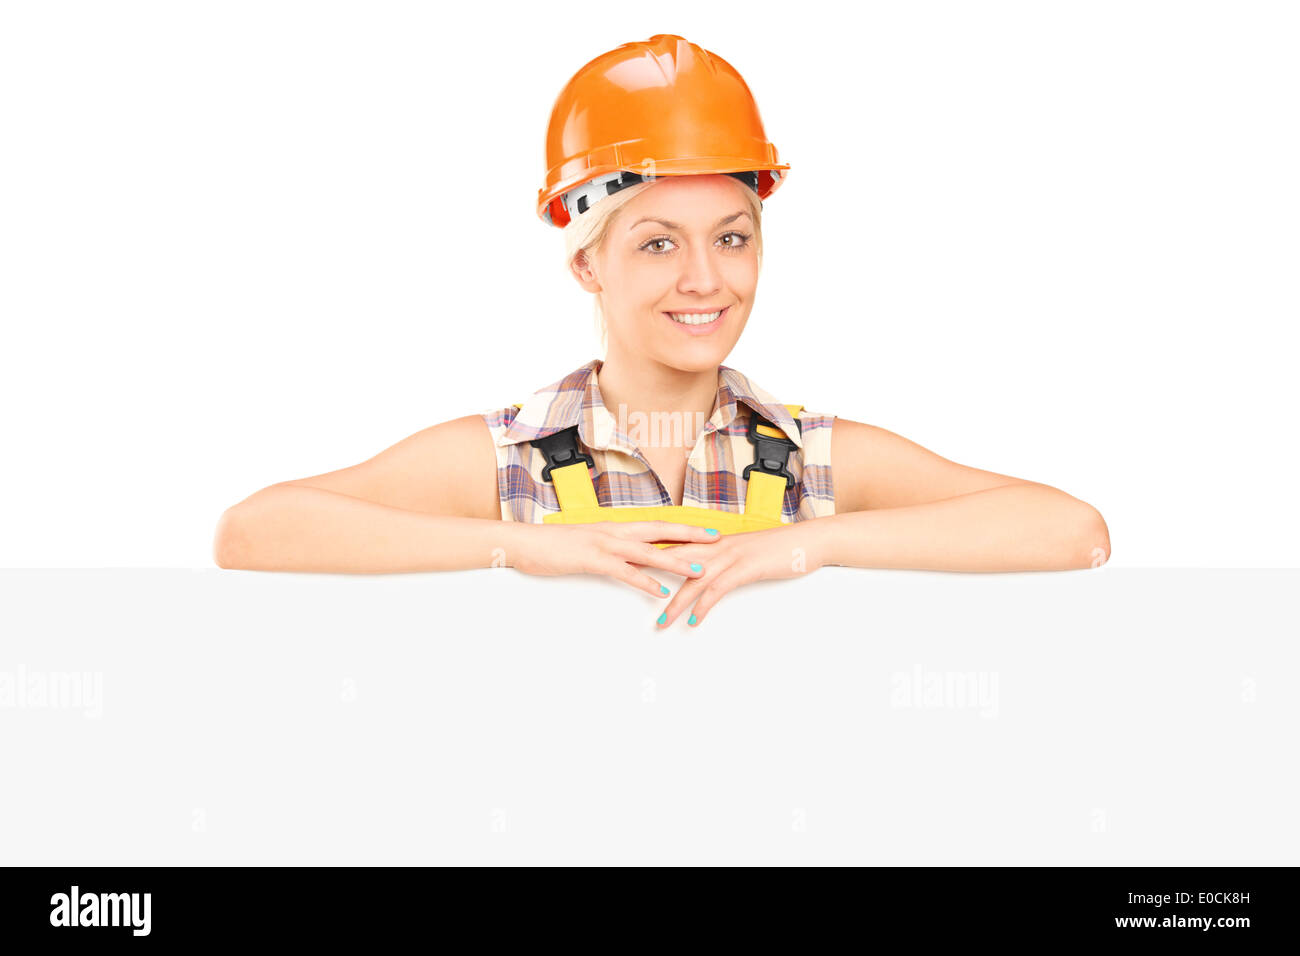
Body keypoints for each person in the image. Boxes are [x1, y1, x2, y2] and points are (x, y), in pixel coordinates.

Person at [213, 34, 1110, 627]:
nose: (704, 280)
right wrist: (522, 545)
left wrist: (817, 540)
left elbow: (1073, 533)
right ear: (587, 265)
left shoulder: (814, 461)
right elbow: (253, 534)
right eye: (656, 244)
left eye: (732, 238)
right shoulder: (509, 463)